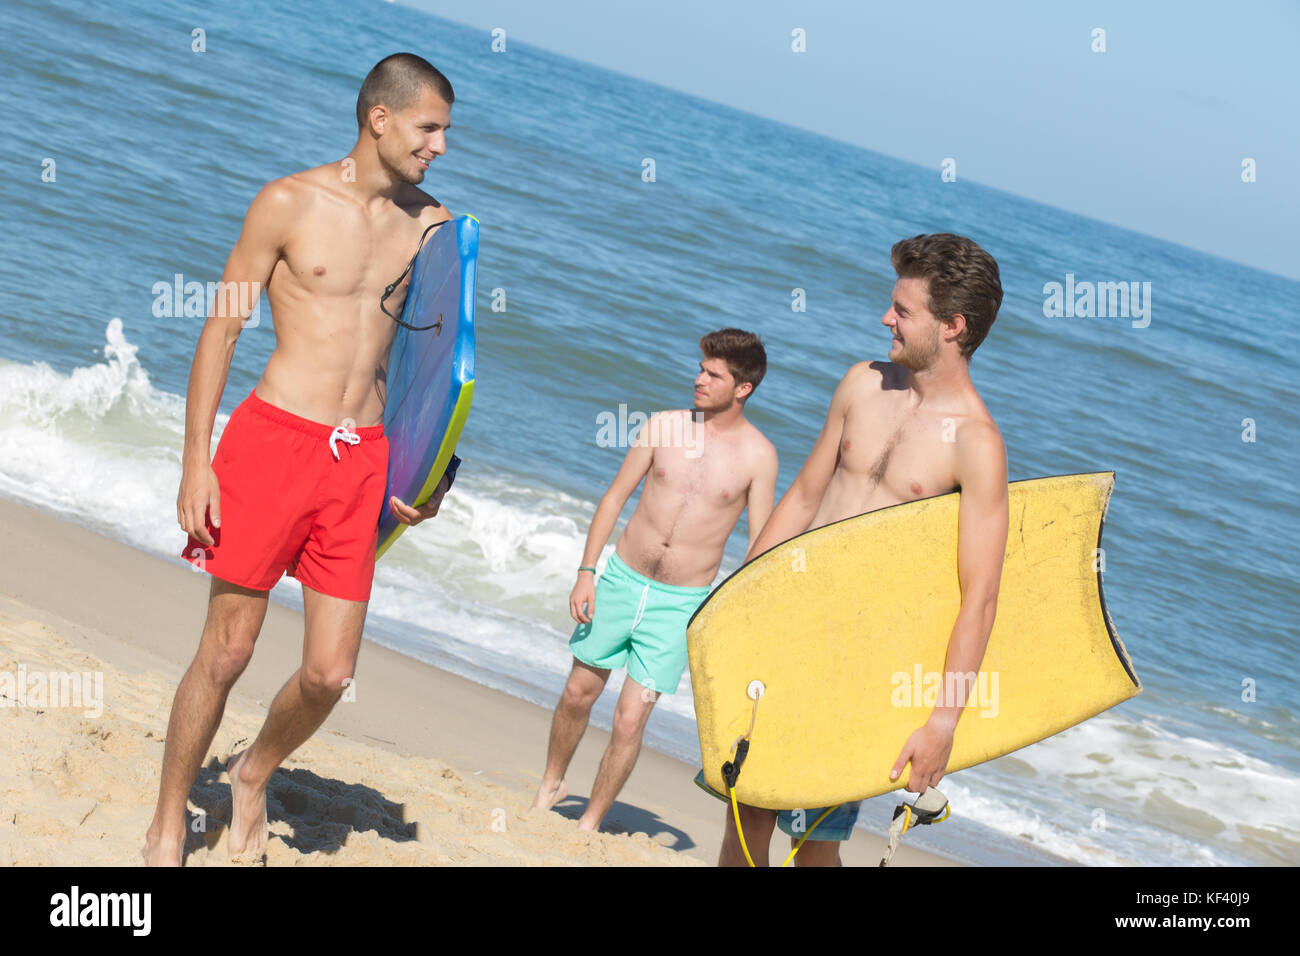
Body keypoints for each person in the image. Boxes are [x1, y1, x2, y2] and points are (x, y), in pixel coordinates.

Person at [142, 53, 463, 866]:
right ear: (380, 119)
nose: (441, 147)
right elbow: (221, 329)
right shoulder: (286, 203)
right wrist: (195, 461)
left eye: (446, 133)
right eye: (430, 128)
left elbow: (442, 370)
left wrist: (433, 473)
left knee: (329, 672)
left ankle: (252, 775)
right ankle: (169, 816)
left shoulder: (434, 229)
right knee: (228, 650)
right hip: (273, 441)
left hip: (361, 460)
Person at [715, 233, 1009, 866]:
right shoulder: (861, 383)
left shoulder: (976, 445)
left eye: (904, 310)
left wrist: (943, 723)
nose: (886, 319)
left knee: (816, 839)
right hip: (788, 631)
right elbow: (801, 499)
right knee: (747, 809)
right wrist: (738, 600)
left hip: (861, 665)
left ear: (953, 326)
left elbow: (978, 597)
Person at [532, 329, 779, 831]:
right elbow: (614, 498)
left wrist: (737, 622)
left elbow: (758, 551)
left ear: (743, 388)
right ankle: (550, 785)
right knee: (578, 693)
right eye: (701, 368)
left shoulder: (759, 456)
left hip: (679, 605)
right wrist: (587, 573)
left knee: (630, 719)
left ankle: (590, 821)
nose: (699, 379)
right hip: (621, 580)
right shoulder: (664, 426)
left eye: (714, 374)